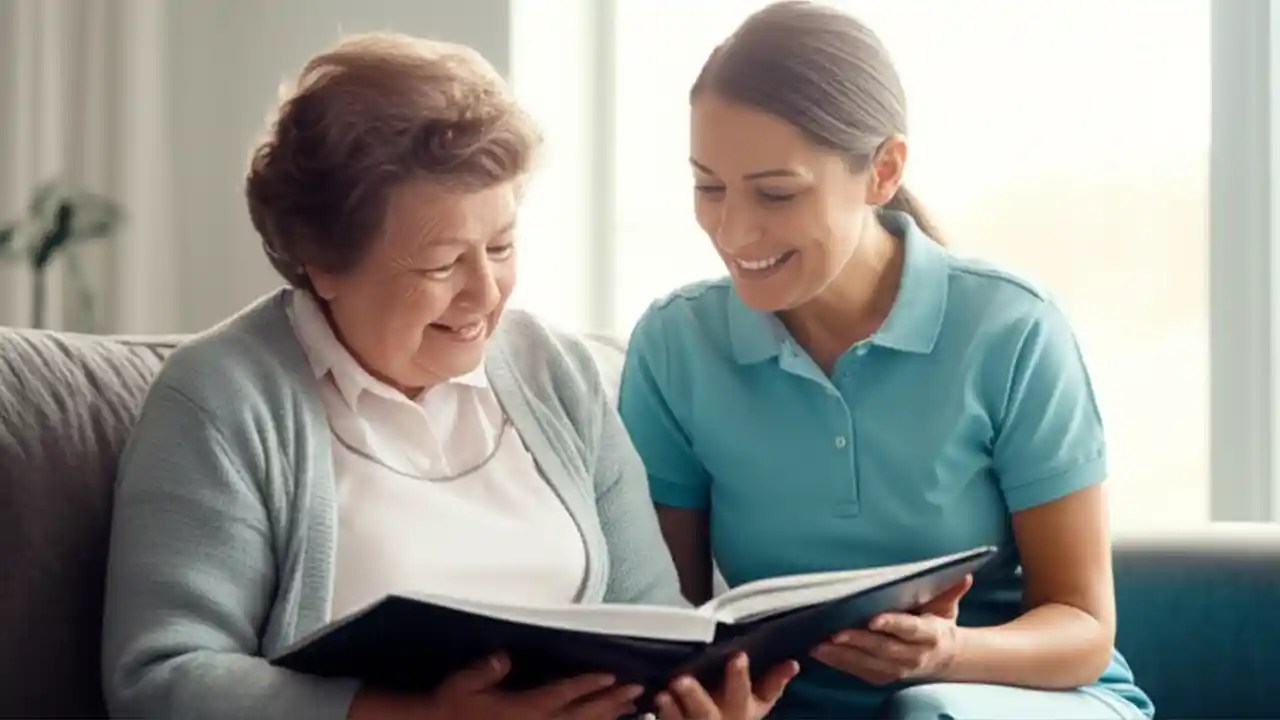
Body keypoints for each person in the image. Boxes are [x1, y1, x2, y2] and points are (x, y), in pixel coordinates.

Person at [99, 32, 797, 720]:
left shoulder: (554, 372)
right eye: (441, 264)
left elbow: (653, 621)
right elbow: (162, 678)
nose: (485, 292)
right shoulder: (222, 397)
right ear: (322, 262)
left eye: (501, 245)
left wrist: (699, 703)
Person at [617, 3, 1156, 719]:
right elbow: (667, 625)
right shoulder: (674, 345)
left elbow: (1083, 630)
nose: (732, 228)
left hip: (1013, 697)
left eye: (776, 192)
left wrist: (949, 653)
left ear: (883, 170)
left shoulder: (1011, 327)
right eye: (708, 186)